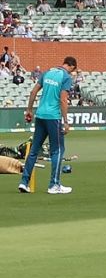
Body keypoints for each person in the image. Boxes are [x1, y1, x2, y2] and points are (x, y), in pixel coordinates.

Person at [18, 56, 76, 194]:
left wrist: (29, 111)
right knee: (58, 150)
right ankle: (54, 185)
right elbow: (63, 100)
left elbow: (33, 92)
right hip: (53, 117)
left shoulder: (48, 72)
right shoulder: (66, 77)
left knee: (33, 151)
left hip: (40, 115)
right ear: (72, 66)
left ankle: (24, 183)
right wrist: (66, 121)